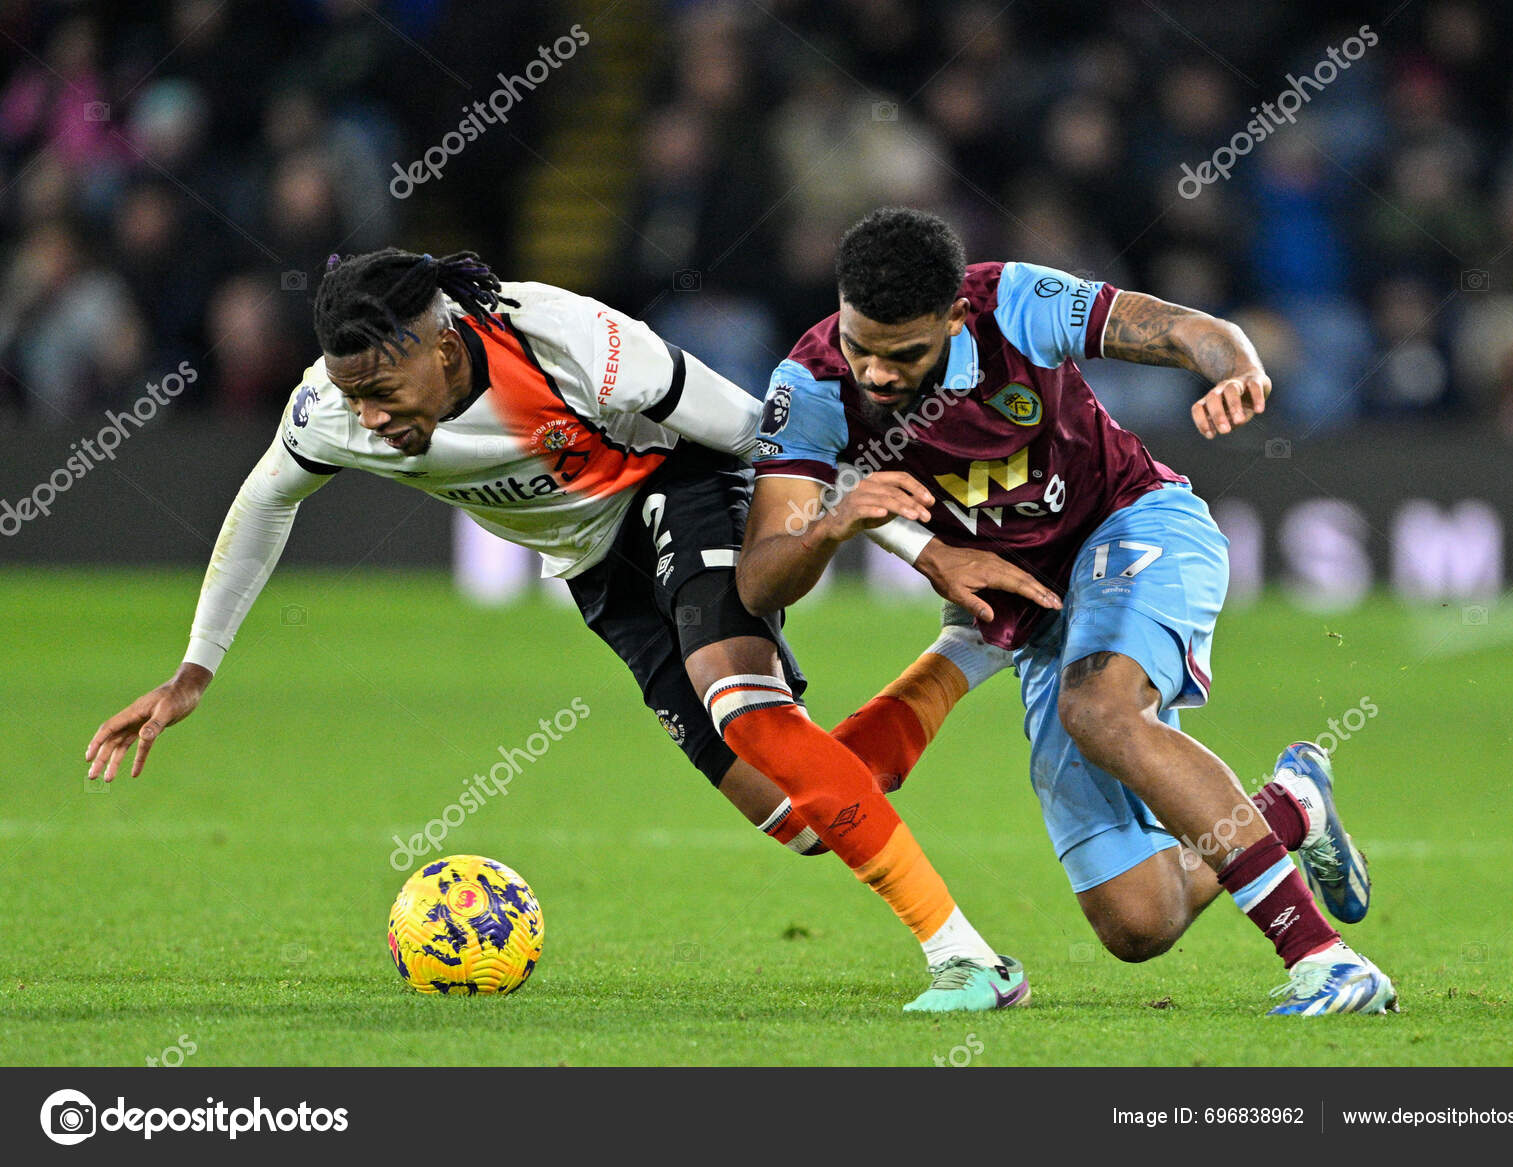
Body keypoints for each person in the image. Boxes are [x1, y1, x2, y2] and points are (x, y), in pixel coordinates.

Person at [84, 247, 1054, 1012]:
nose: (370, 421)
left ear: (442, 344)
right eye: (356, 402)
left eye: (385, 393)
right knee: (799, 816)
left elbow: (768, 438)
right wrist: (194, 671)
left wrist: (922, 550)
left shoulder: (572, 345)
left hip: (684, 487)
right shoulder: (333, 408)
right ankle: (962, 653)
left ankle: (968, 960)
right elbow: (264, 505)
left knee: (743, 705)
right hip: (598, 571)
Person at [736, 207, 1394, 1016]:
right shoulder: (808, 386)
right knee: (1138, 921)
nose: (875, 373)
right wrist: (835, 522)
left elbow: (1185, 328)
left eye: (902, 354)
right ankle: (1291, 804)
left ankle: (1327, 961)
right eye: (860, 344)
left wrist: (1236, 367)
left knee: (1101, 709)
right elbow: (761, 581)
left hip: (1132, 522)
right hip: (1037, 610)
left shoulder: (1015, 303)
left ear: (953, 316)